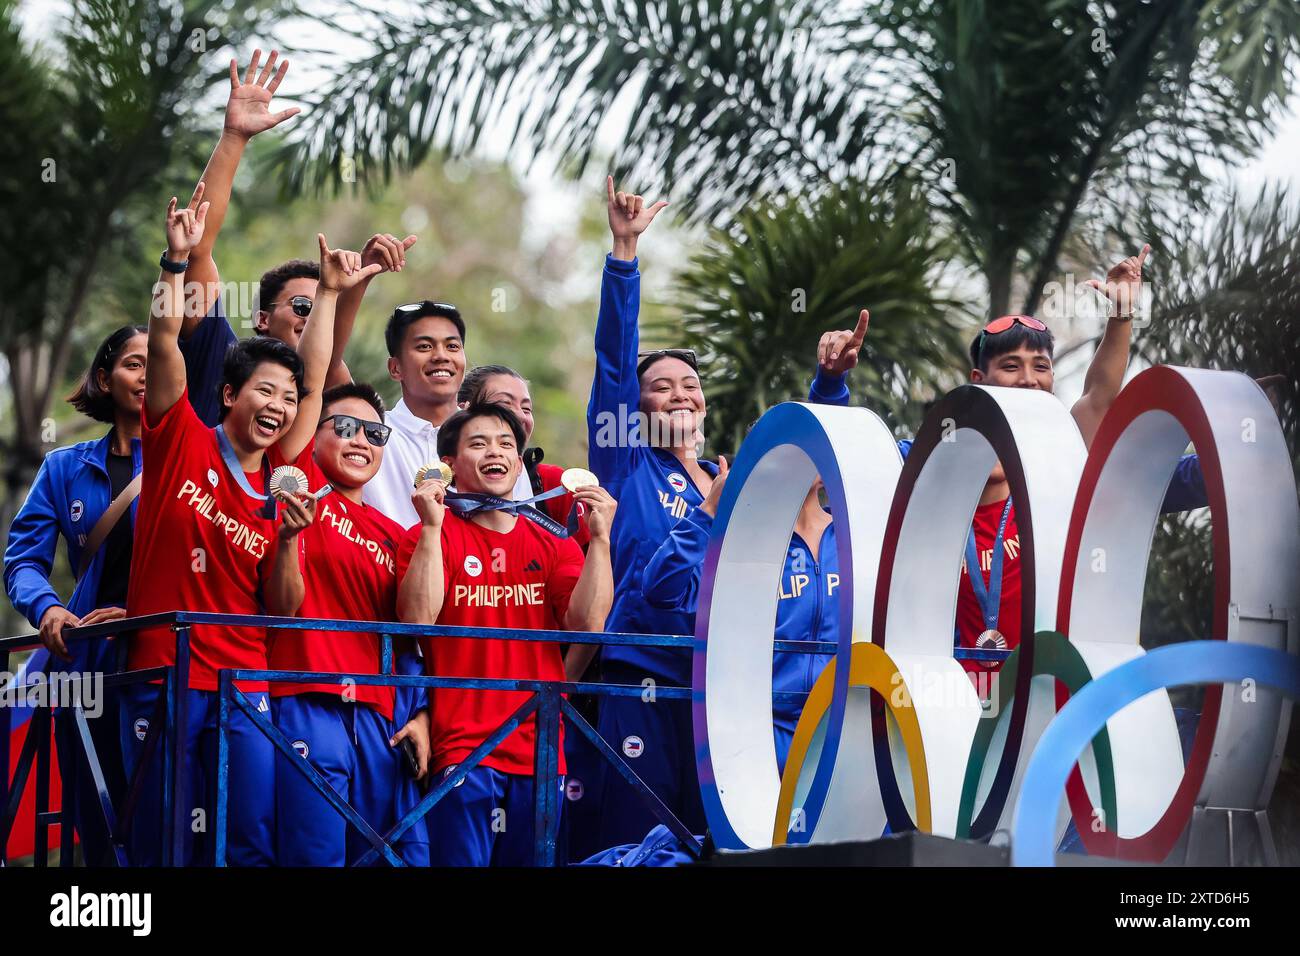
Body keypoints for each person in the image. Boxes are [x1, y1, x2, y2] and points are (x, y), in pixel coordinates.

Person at [583, 178, 862, 850]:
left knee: (715, 839)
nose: (678, 395)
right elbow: (613, 365)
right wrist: (625, 254)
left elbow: (813, 463)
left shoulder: (730, 481)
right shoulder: (626, 463)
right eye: (660, 388)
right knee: (638, 833)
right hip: (642, 674)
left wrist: (829, 385)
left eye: (690, 386)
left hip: (724, 682)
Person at [119, 187, 377, 865]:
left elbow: (283, 607)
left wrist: (290, 538)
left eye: (288, 400)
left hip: (244, 685)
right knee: (162, 844)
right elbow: (168, 339)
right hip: (163, 675)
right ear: (230, 394)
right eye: (265, 389)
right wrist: (176, 264)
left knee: (248, 843)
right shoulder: (182, 438)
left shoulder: (278, 481)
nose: (281, 404)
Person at [394, 402, 617, 866]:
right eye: (478, 443)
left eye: (505, 444)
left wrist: (599, 541)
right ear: (449, 464)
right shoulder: (425, 536)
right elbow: (416, 619)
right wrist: (434, 528)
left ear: (518, 463)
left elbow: (589, 624)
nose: (494, 452)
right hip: (463, 747)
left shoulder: (552, 542)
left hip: (541, 750)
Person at [176, 49, 415, 425]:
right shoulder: (220, 356)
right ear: (262, 320)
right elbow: (198, 247)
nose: (314, 317)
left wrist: (356, 281)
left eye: (321, 308)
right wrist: (234, 137)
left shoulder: (323, 390)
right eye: (304, 307)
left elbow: (328, 355)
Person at [262, 382, 429, 866]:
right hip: (306, 695)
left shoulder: (396, 533)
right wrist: (333, 299)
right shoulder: (300, 488)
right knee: (316, 853)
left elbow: (411, 636)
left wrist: (421, 712)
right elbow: (315, 368)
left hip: (380, 714)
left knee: (384, 855)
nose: (362, 441)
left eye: (375, 433)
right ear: (311, 434)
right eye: (347, 428)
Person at [3, 325, 149, 864]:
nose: (148, 374)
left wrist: (143, 614)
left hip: (168, 661)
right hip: (88, 664)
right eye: (135, 363)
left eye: (160, 361)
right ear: (106, 378)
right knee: (98, 817)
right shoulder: (64, 467)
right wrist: (49, 608)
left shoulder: (192, 460)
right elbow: (22, 560)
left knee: (167, 814)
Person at [457, 364, 591, 548]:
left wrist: (600, 536)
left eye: (527, 409)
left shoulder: (555, 485)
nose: (521, 416)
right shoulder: (439, 485)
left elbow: (586, 567)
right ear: (465, 412)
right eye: (504, 404)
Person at [360, 301, 468, 527]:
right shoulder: (371, 434)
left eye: (452, 347)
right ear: (395, 368)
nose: (441, 356)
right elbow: (328, 365)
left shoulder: (494, 443)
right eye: (424, 347)